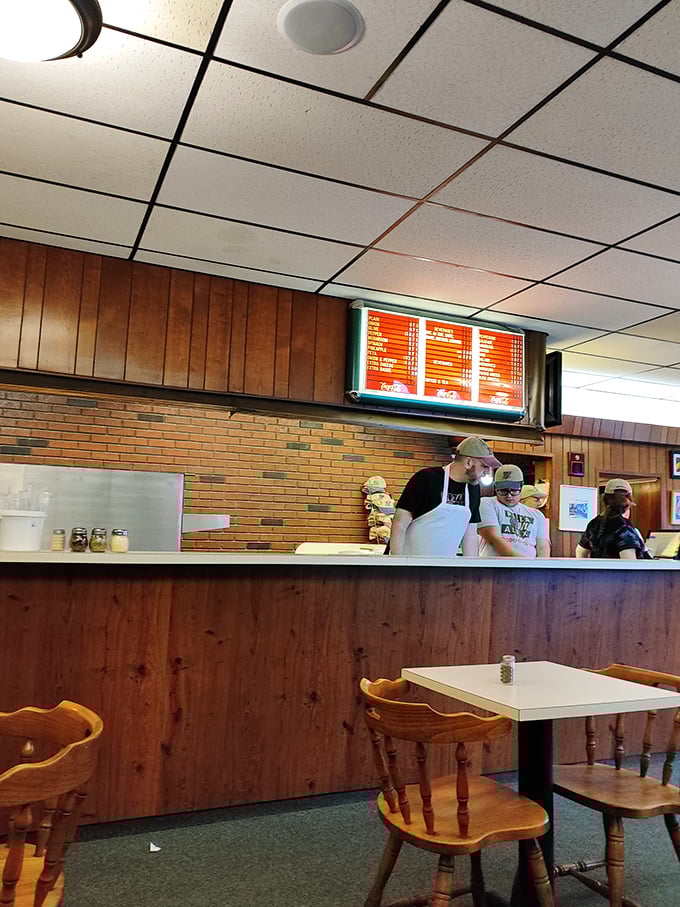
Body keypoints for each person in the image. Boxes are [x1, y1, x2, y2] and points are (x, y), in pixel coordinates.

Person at [388, 436, 501, 557]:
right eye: (484, 466)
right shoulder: (427, 479)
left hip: (444, 569)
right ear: (468, 462)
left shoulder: (473, 489)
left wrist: (471, 570)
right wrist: (397, 562)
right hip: (410, 566)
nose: (487, 472)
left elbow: (470, 535)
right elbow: (399, 524)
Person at [478, 465, 551, 558]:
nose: (509, 495)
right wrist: (522, 562)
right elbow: (494, 538)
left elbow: (543, 546)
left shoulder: (537, 515)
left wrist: (541, 567)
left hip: (527, 568)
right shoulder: (487, 503)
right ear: (496, 488)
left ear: (521, 486)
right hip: (496, 568)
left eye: (514, 490)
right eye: (503, 491)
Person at [576, 478, 648, 560]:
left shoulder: (594, 523)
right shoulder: (625, 527)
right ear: (628, 501)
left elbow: (580, 552)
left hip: (598, 572)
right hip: (617, 573)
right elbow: (629, 563)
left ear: (605, 500)